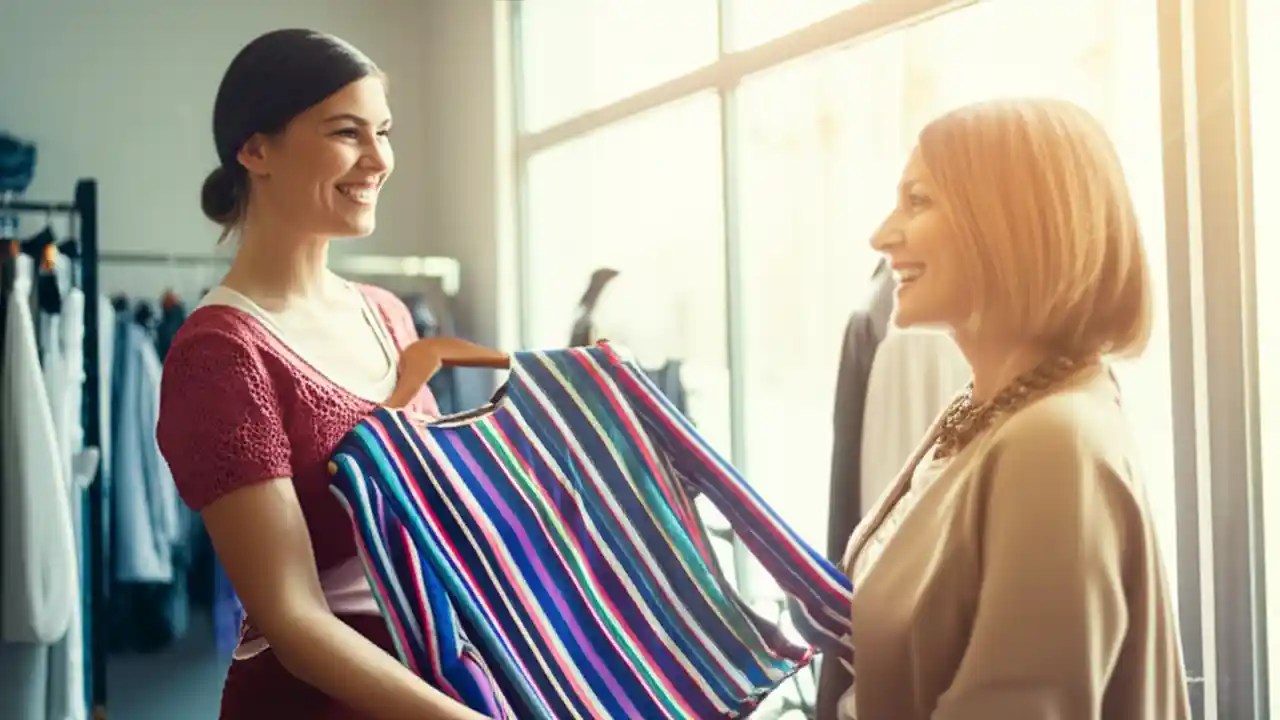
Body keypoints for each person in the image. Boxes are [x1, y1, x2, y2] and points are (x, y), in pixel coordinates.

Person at [818, 99, 1191, 720]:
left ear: (1010, 223)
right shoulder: (985, 410)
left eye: (917, 201)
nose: (882, 235)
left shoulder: (1053, 440)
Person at [155, 29, 487, 720]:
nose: (378, 160)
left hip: (435, 679)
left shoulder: (388, 315)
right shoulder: (220, 355)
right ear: (255, 149)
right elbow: (294, 620)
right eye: (346, 133)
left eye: (384, 133)